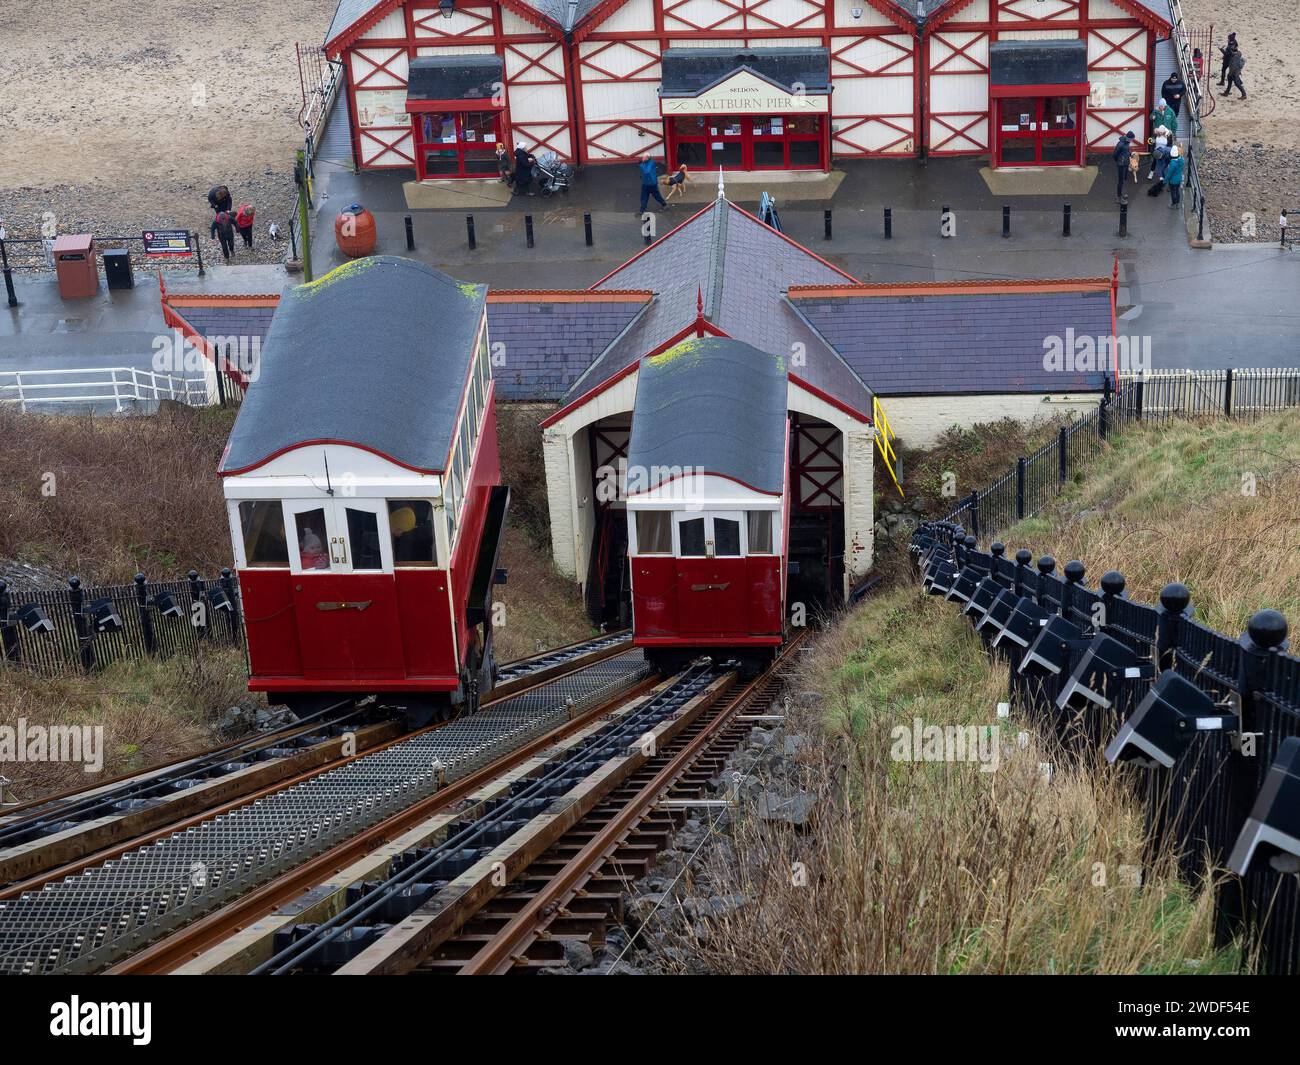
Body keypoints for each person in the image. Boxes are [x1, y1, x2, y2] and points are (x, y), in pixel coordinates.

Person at [1113, 130, 1137, 203]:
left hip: (1125, 163)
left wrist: (1130, 154)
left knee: (1123, 180)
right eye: (1132, 139)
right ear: (1129, 138)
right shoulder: (1121, 144)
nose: (1133, 140)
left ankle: (1120, 194)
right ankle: (1118, 197)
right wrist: (1120, 161)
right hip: (1121, 165)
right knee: (1120, 181)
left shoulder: (1127, 143)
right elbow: (1115, 155)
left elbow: (1126, 151)